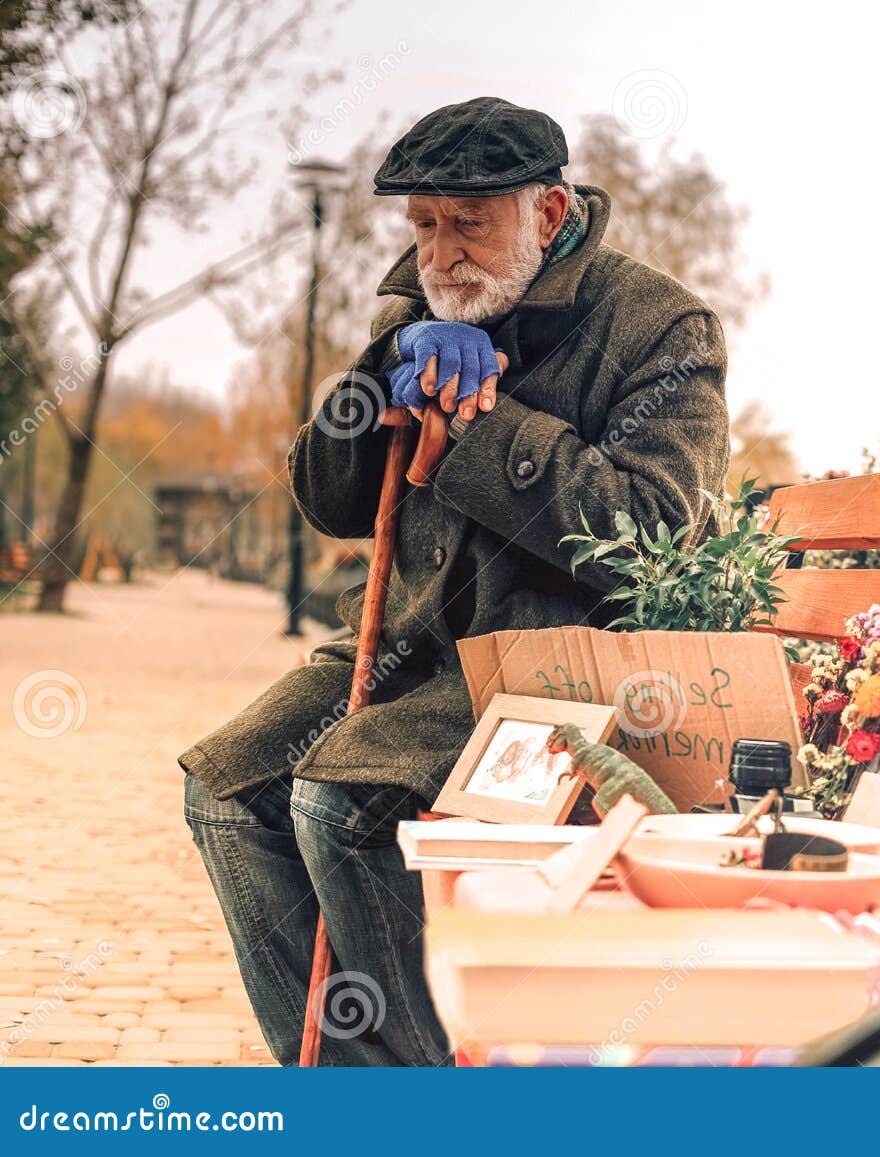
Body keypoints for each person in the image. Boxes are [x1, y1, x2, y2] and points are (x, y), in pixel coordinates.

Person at [180, 98, 730, 1066]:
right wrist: (379, 377)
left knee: (344, 804)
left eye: (470, 221)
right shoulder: (413, 316)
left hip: (558, 666)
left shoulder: (658, 325)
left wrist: (484, 424)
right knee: (229, 792)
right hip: (403, 650)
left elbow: (648, 531)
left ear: (549, 213)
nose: (442, 252)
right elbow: (332, 503)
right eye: (424, 225)